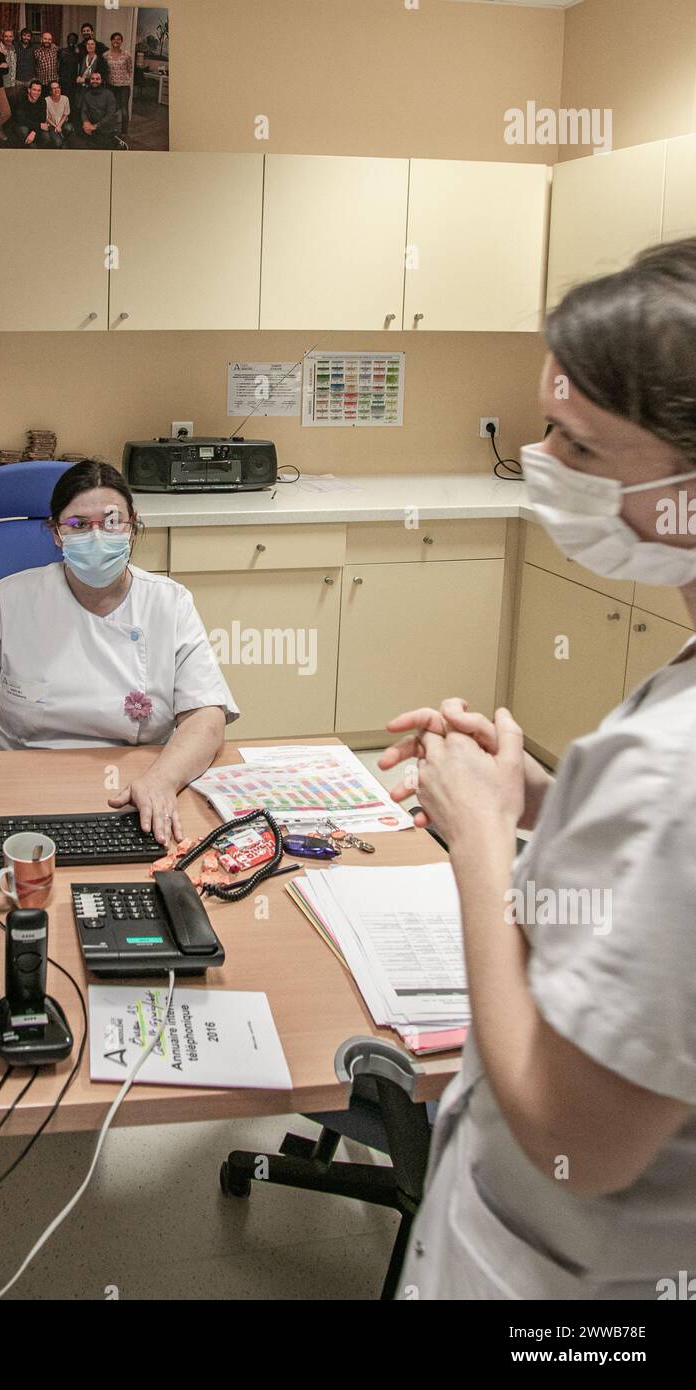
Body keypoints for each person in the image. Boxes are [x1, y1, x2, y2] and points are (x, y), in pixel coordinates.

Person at [383, 237, 696, 1301]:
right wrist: (548, 802)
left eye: (579, 442)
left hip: (570, 1276)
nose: (540, 457)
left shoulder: (672, 769)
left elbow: (579, 1136)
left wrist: (477, 844)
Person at [0, 461, 239, 843]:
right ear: (56, 533)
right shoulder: (9, 598)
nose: (97, 536)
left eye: (112, 521)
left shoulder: (168, 603)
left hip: (133, 784)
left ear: (132, 526)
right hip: (18, 777)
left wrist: (160, 780)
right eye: (79, 525)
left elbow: (206, 716)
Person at [78, 70, 118, 147]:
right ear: (90, 80)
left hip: (105, 127)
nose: (95, 81)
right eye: (92, 78)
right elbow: (84, 111)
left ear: (102, 81)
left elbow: (110, 115)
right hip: (91, 126)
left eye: (97, 79)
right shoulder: (87, 95)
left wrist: (95, 126)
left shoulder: (109, 94)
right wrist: (86, 122)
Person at [105, 31, 133, 137]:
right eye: (114, 39)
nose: (116, 41)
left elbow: (130, 69)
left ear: (121, 41)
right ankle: (111, 128)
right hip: (111, 86)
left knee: (124, 109)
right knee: (111, 109)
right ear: (111, 41)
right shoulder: (105, 55)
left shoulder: (127, 55)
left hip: (123, 87)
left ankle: (124, 132)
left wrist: (123, 79)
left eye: (118, 39)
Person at [14, 79, 48, 147]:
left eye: (39, 90)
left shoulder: (42, 101)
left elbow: (42, 118)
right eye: (34, 89)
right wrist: (38, 126)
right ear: (29, 90)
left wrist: (34, 132)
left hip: (35, 126)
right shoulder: (21, 99)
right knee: (24, 131)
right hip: (23, 125)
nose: (36, 93)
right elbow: (21, 120)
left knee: (46, 137)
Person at [13, 27, 36, 106]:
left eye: (28, 36)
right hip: (18, 79)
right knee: (18, 100)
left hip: (31, 78)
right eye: (24, 35)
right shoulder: (14, 46)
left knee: (31, 100)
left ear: (31, 37)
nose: (26, 37)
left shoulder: (34, 47)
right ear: (21, 36)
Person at [45, 79, 70, 148]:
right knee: (58, 143)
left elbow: (66, 114)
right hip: (51, 124)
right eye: (53, 88)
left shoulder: (65, 99)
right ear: (50, 91)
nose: (56, 90)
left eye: (58, 87)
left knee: (69, 128)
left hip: (62, 122)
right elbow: (46, 118)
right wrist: (56, 126)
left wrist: (59, 125)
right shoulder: (46, 100)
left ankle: (64, 139)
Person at [0, 27, 17, 106]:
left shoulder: (13, 47)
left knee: (12, 107)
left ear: (13, 37)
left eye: (10, 36)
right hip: (1, 85)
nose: (8, 38)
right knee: (2, 108)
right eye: (6, 36)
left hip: (12, 84)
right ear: (2, 37)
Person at [58, 32, 79, 97]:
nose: (71, 41)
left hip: (73, 81)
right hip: (63, 80)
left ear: (76, 41)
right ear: (67, 40)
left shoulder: (78, 53)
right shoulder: (61, 51)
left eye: (74, 39)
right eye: (70, 39)